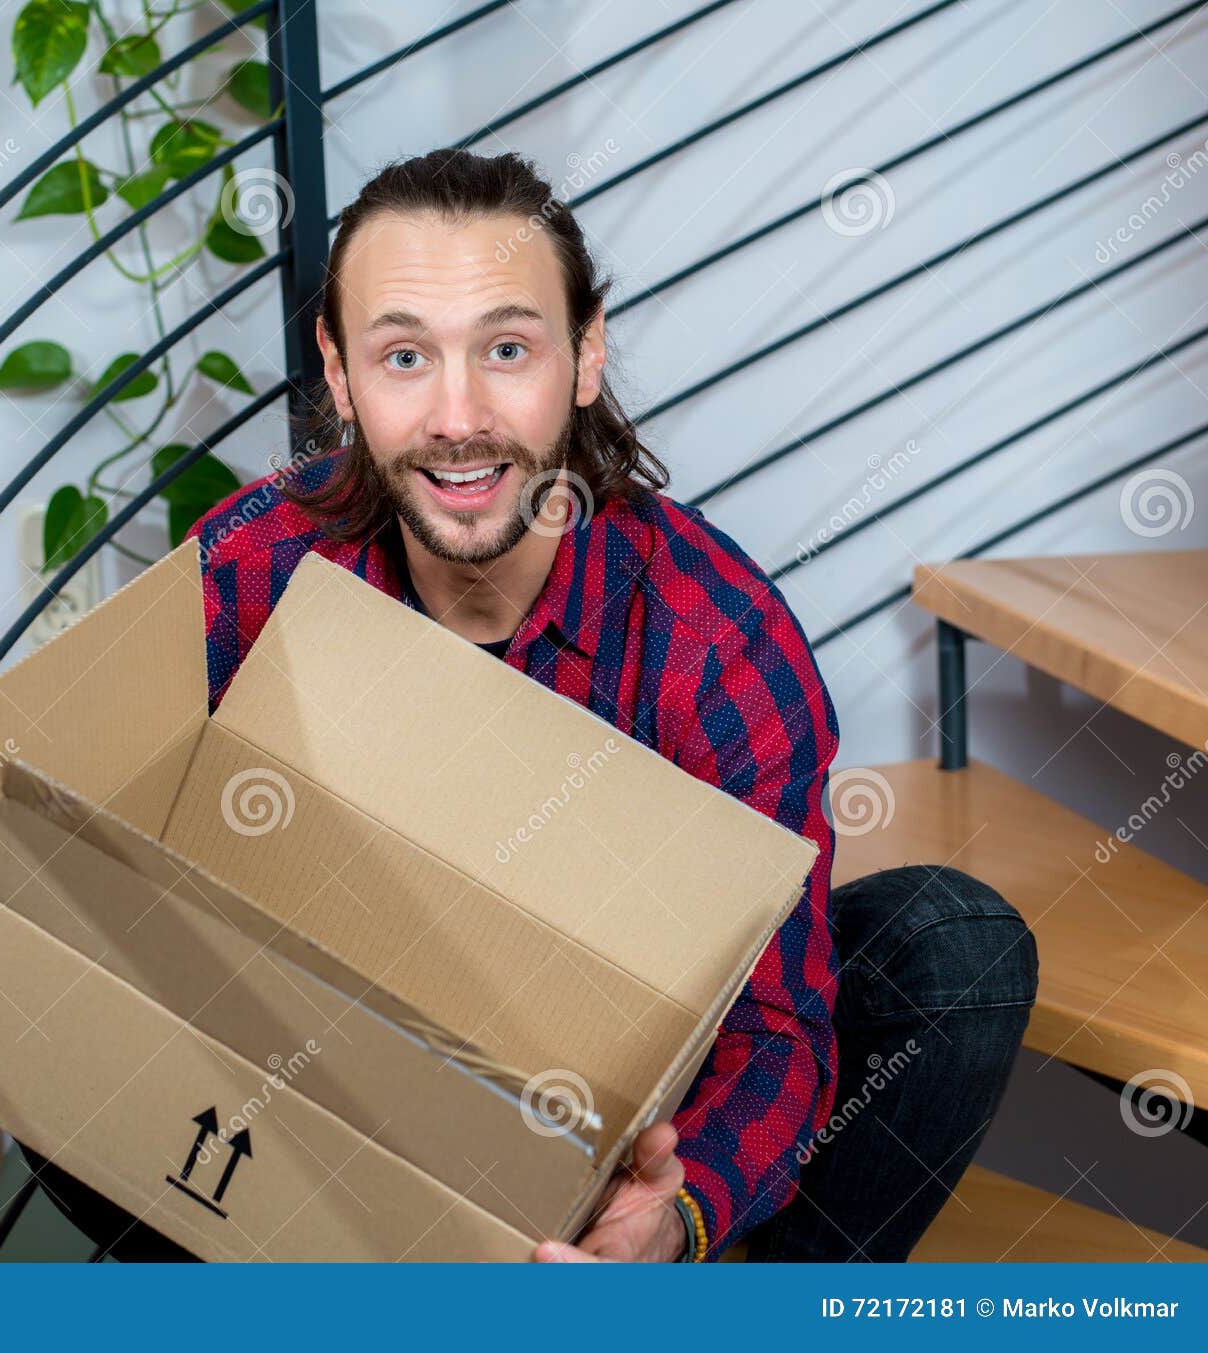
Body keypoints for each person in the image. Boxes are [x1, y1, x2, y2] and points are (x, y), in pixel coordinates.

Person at [182, 147, 1037, 1262]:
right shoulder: (254, 565)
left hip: (610, 1146)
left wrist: (665, 1221)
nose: (457, 416)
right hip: (329, 1130)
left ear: (583, 356)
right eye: (402, 356)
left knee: (951, 946)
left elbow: (779, 1030)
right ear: (338, 376)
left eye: (505, 348)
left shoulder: (716, 646)